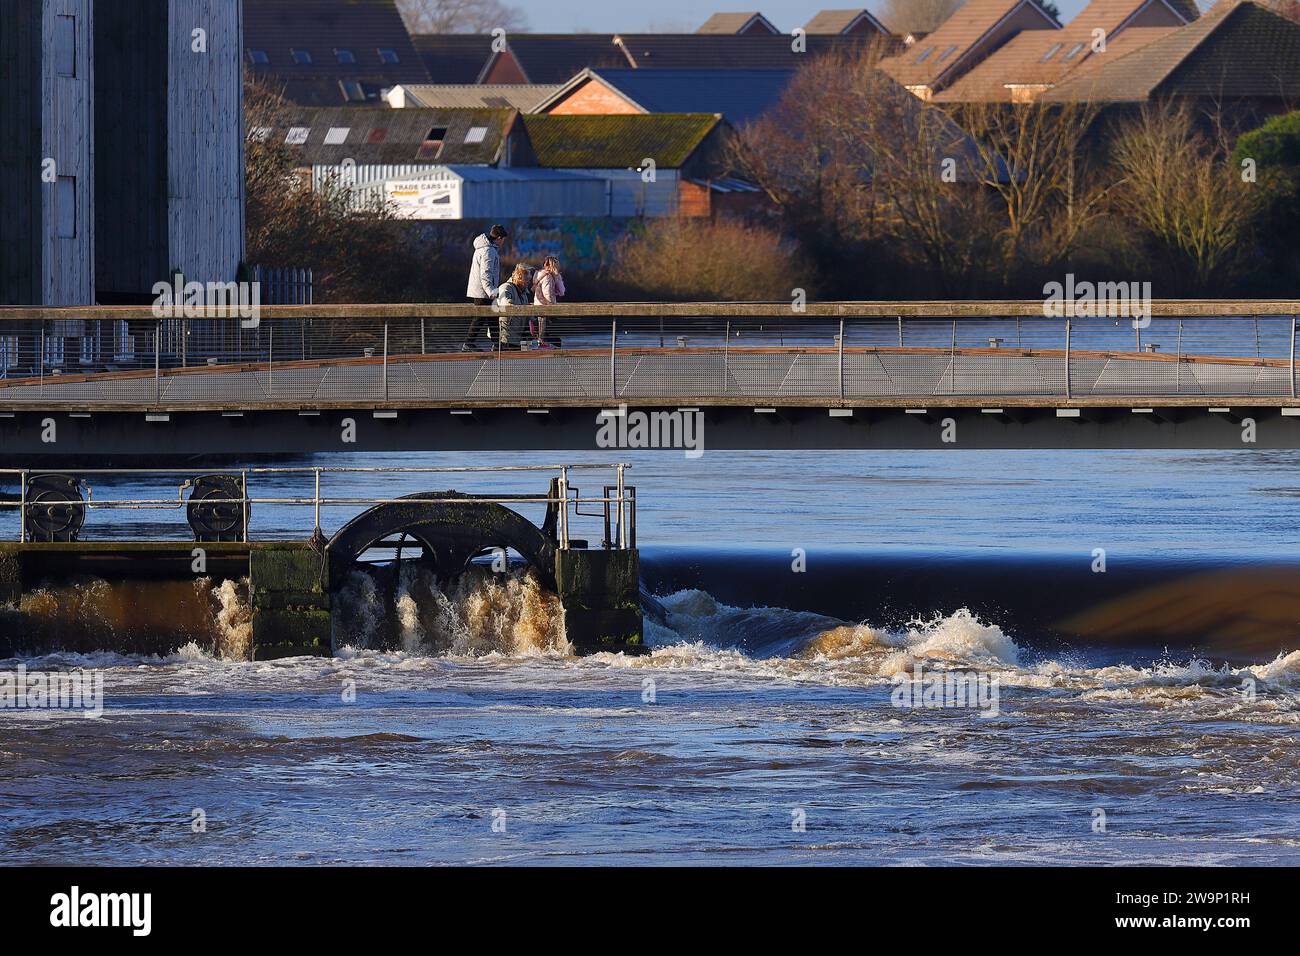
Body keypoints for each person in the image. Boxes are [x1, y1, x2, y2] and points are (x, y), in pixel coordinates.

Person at [463, 224, 508, 351]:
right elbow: (486, 273)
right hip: (484, 291)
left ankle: (497, 344)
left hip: (483, 290)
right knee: (480, 317)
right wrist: (491, 292)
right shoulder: (488, 251)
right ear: (499, 238)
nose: (503, 242)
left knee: (493, 315)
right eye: (503, 239)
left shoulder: (484, 248)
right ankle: (468, 343)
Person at [495, 263, 533, 349]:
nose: (528, 282)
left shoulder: (524, 293)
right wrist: (518, 307)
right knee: (504, 361)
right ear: (519, 278)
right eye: (526, 279)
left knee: (519, 360)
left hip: (518, 338)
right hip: (505, 338)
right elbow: (505, 303)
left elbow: (527, 314)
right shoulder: (506, 287)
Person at [531, 256, 566, 348]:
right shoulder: (549, 277)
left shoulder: (539, 275)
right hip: (546, 306)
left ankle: (541, 341)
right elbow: (551, 293)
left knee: (542, 326)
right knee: (544, 326)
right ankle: (542, 343)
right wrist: (551, 307)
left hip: (537, 304)